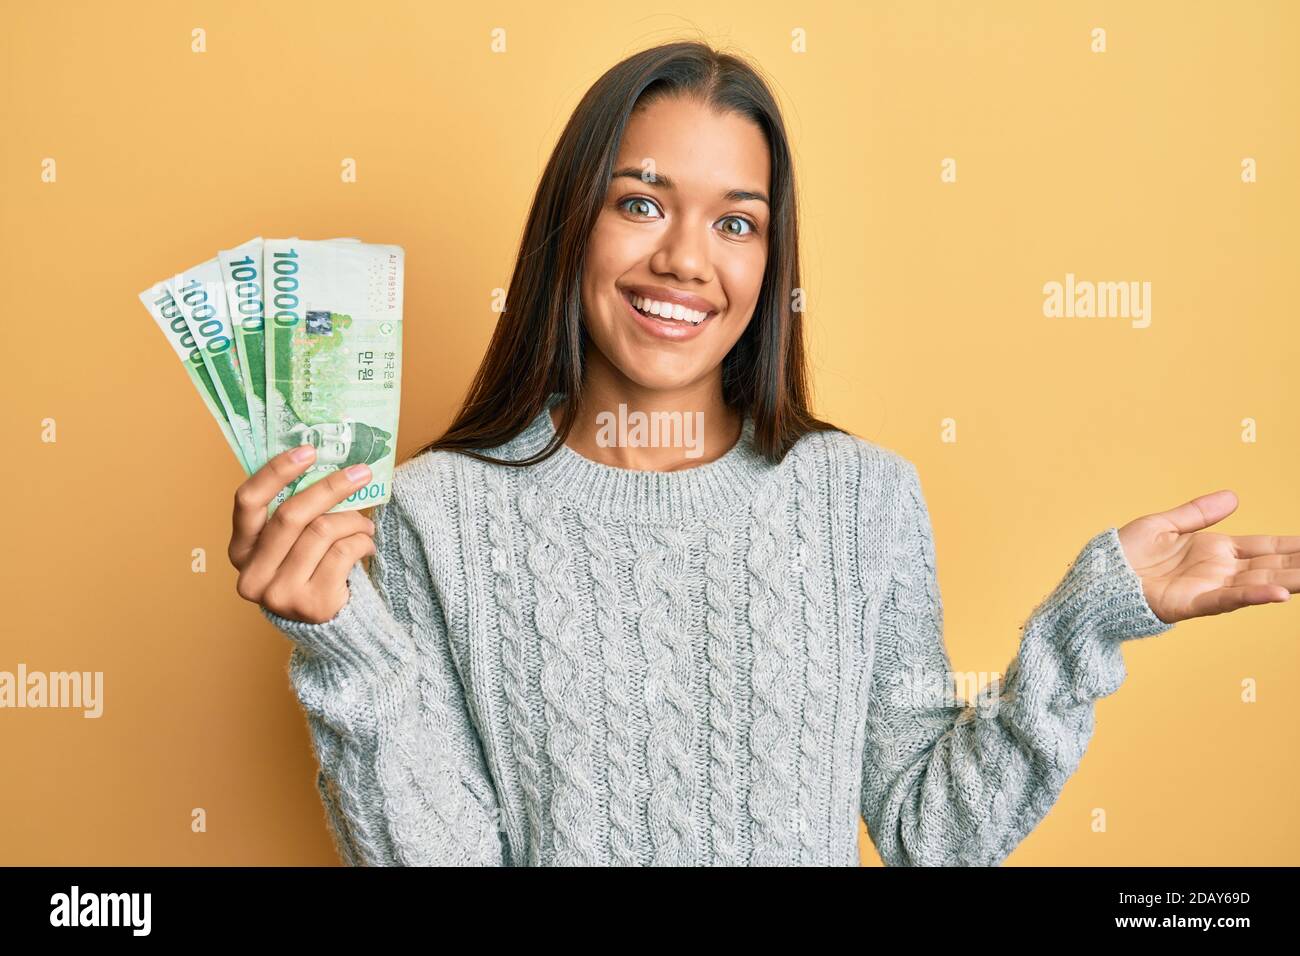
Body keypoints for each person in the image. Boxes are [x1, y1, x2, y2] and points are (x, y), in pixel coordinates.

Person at [226, 41, 1296, 867]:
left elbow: (934, 830)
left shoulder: (859, 498)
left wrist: (1082, 624)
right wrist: (346, 647)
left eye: (736, 223)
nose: (685, 258)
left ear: (773, 257)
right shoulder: (431, 514)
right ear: (573, 225)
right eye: (640, 203)